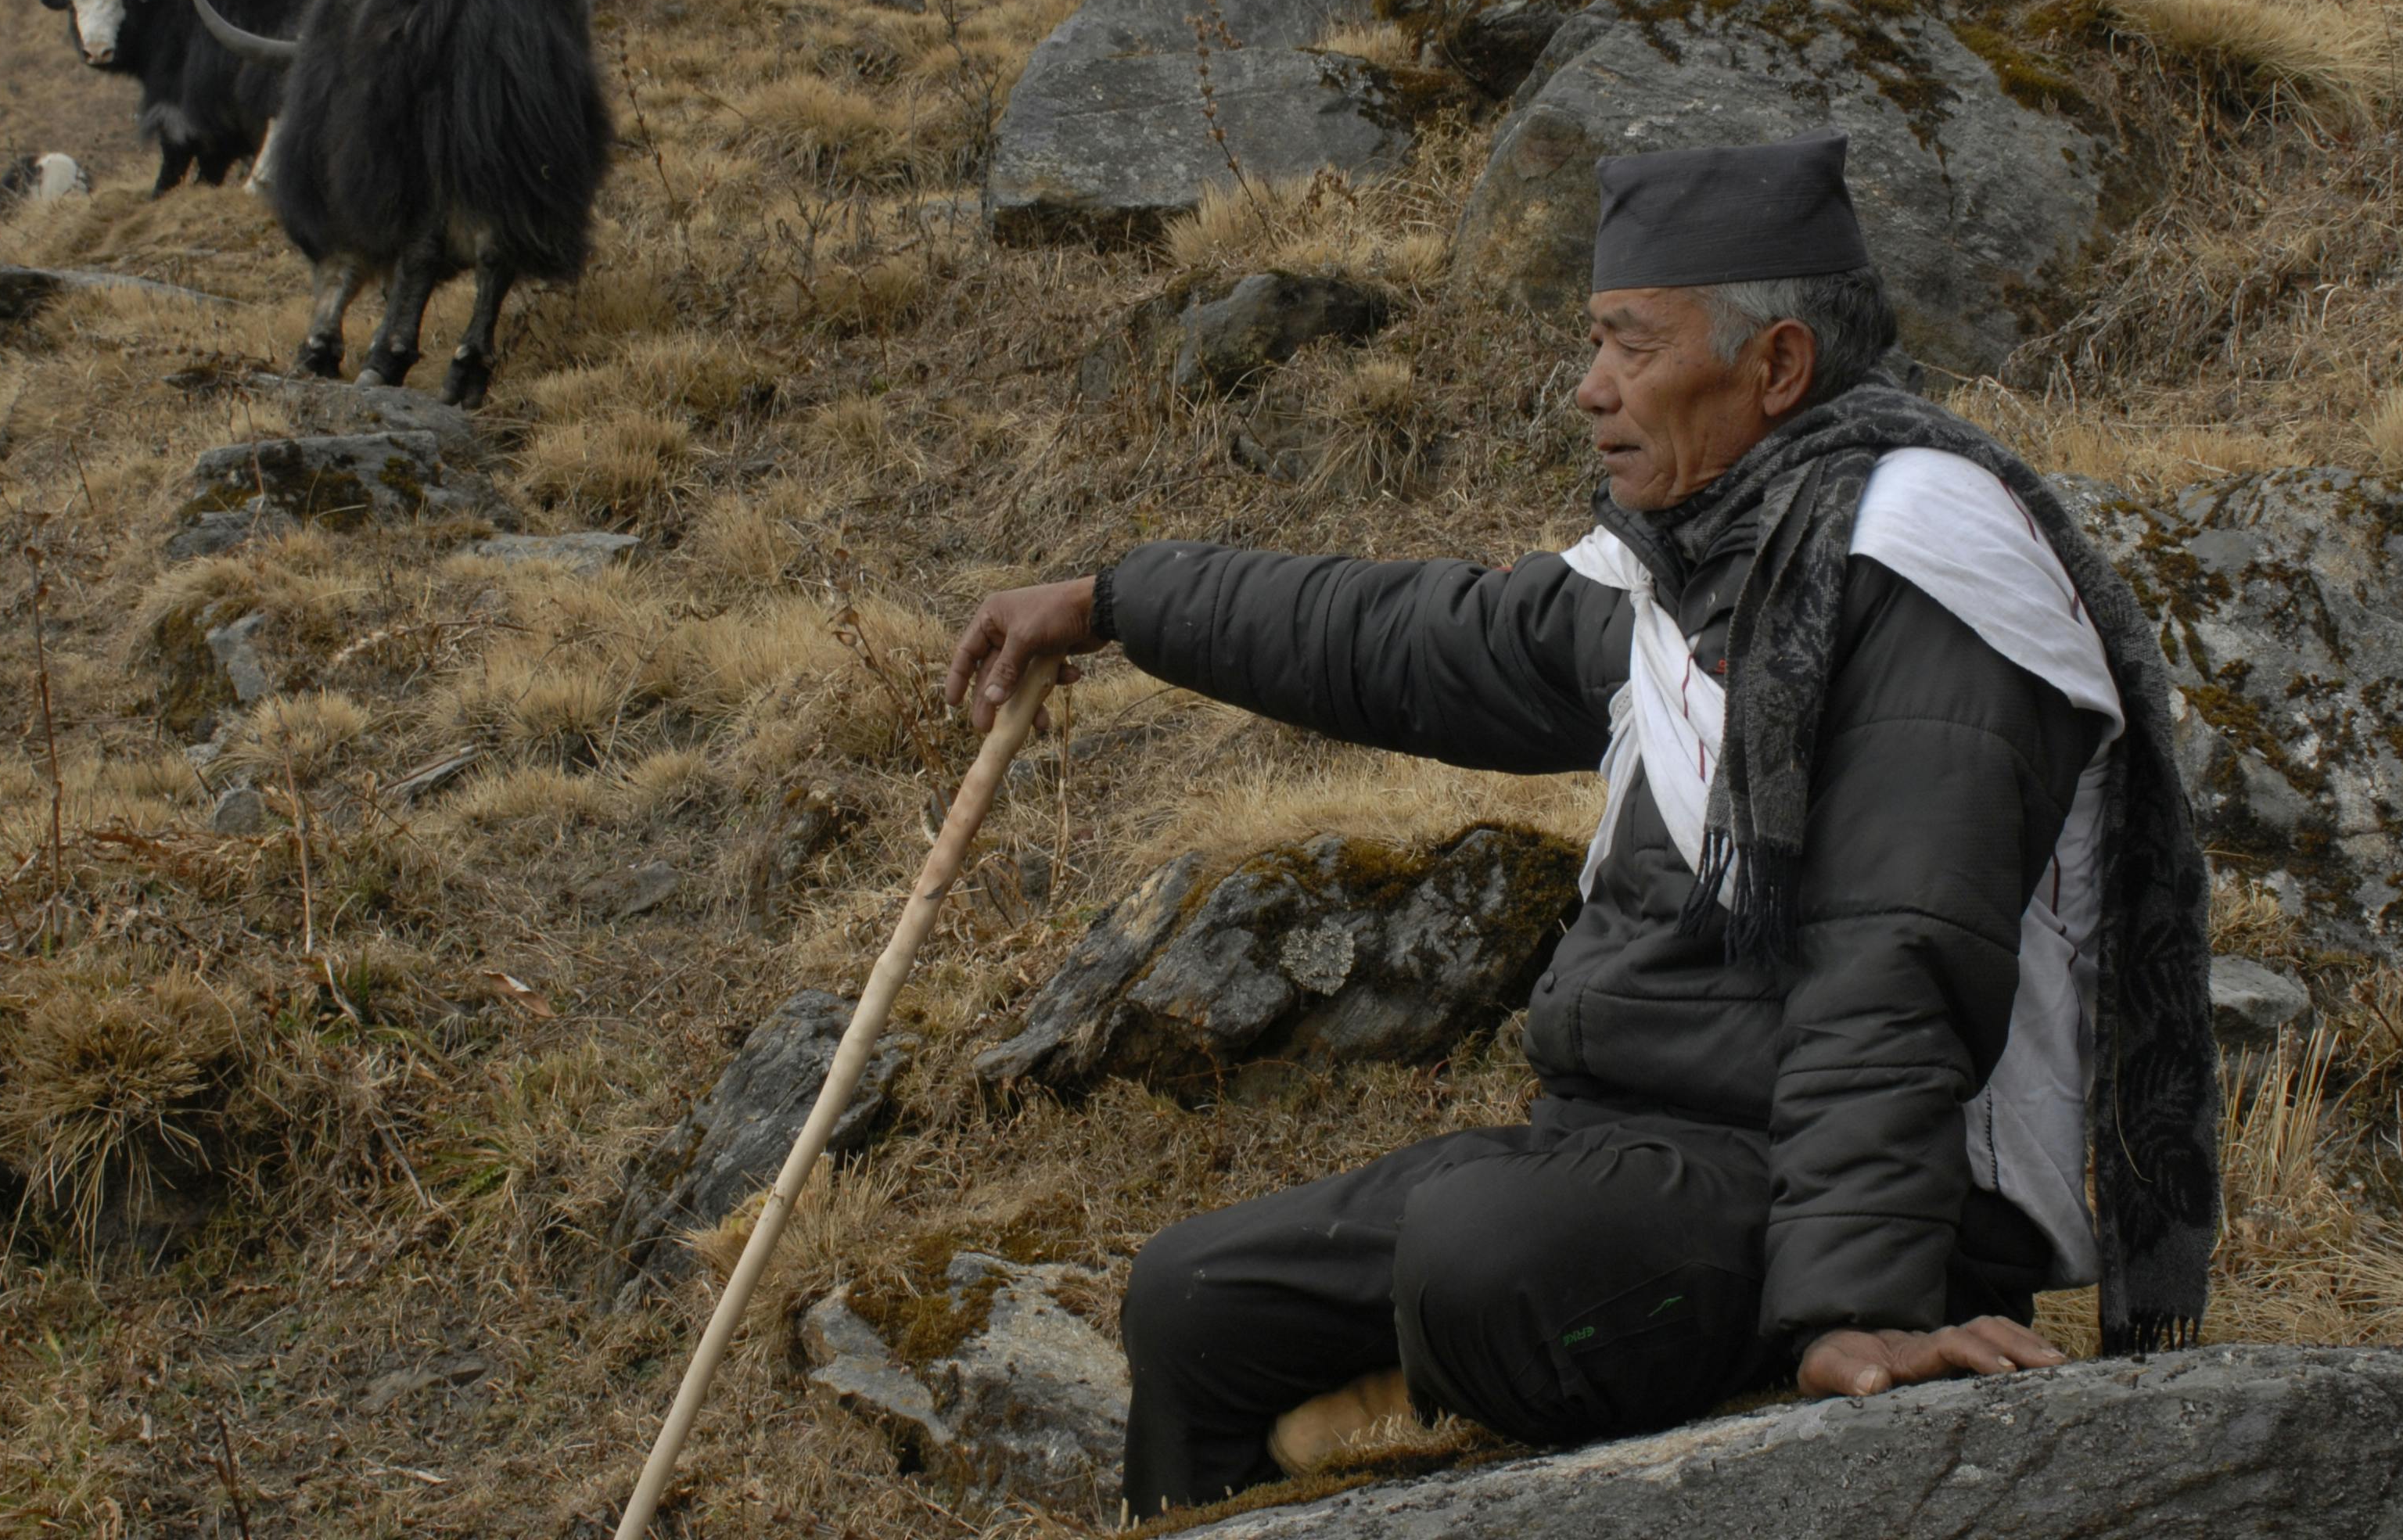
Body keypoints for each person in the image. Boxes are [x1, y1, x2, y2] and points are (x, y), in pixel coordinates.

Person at [944, 132, 2218, 1518]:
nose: (1589, 389)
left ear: (1777, 368)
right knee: (1192, 1303)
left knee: (1487, 1258)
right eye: (1593, 342)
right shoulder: (1694, 560)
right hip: (1621, 1160)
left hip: (1839, 1194)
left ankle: (1474, 1380)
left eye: (1630, 345)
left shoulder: (1920, 568)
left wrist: (1855, 1306)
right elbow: (1402, 641)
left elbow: (1894, 963)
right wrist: (1116, 603)